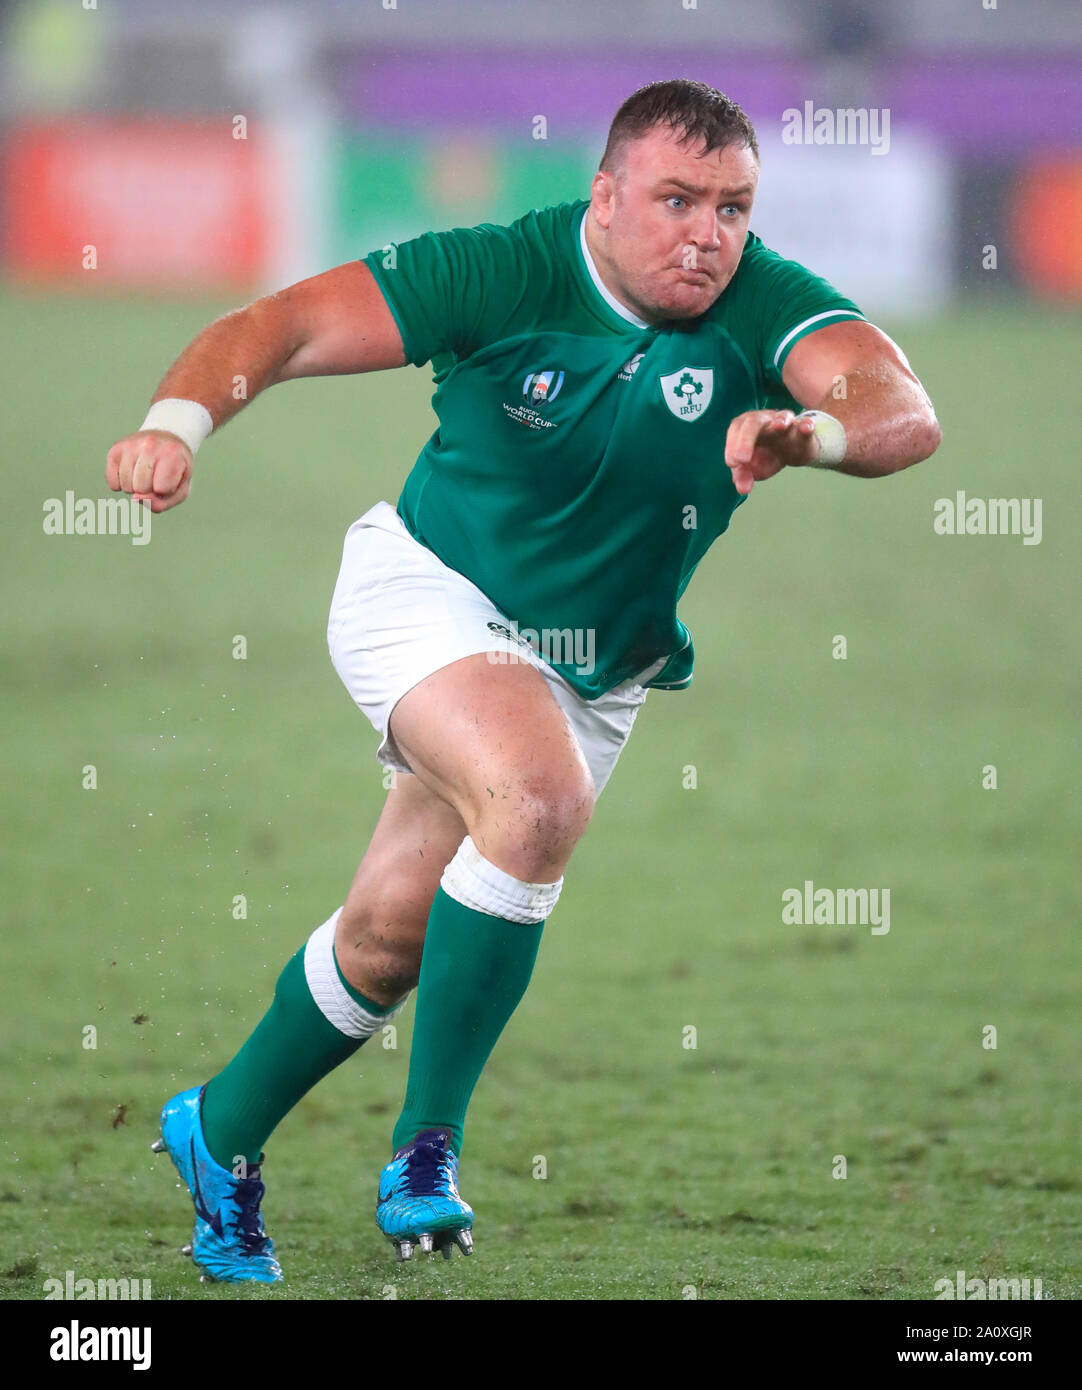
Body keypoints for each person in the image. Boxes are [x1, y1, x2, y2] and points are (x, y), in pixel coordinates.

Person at [106, 78, 941, 1283]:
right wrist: (176, 425)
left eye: (732, 206)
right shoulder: (499, 268)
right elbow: (281, 325)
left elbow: (900, 411)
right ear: (603, 199)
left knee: (391, 936)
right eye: (674, 200)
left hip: (596, 668)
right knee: (537, 801)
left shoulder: (764, 303)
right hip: (428, 594)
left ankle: (218, 1132)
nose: (707, 232)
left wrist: (806, 434)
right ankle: (423, 1154)